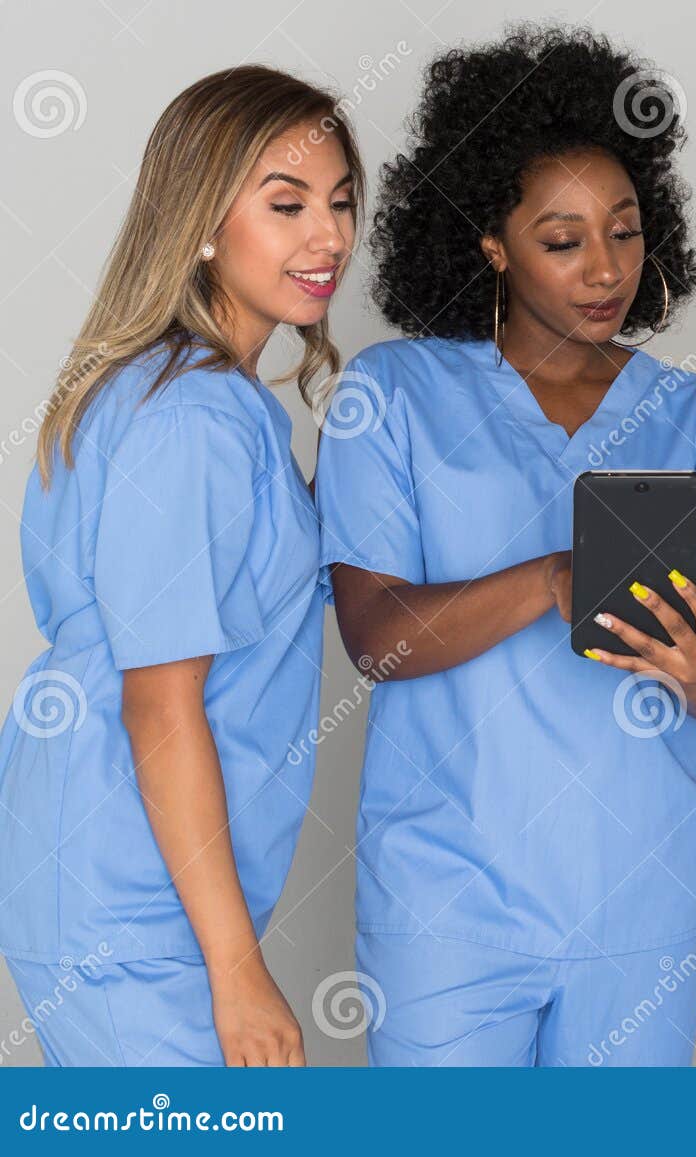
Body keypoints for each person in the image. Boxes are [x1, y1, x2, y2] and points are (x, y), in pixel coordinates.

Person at [314, 24, 696, 1066]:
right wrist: (556, 576)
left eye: (623, 230)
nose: (604, 268)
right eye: (562, 240)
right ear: (491, 242)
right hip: (446, 897)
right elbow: (375, 636)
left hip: (640, 890)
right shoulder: (391, 395)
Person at [0, 66, 362, 1065]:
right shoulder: (195, 417)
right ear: (201, 218)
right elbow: (160, 704)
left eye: (338, 202)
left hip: (105, 869)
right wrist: (238, 967)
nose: (327, 234)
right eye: (285, 204)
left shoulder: (180, 389)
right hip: (131, 896)